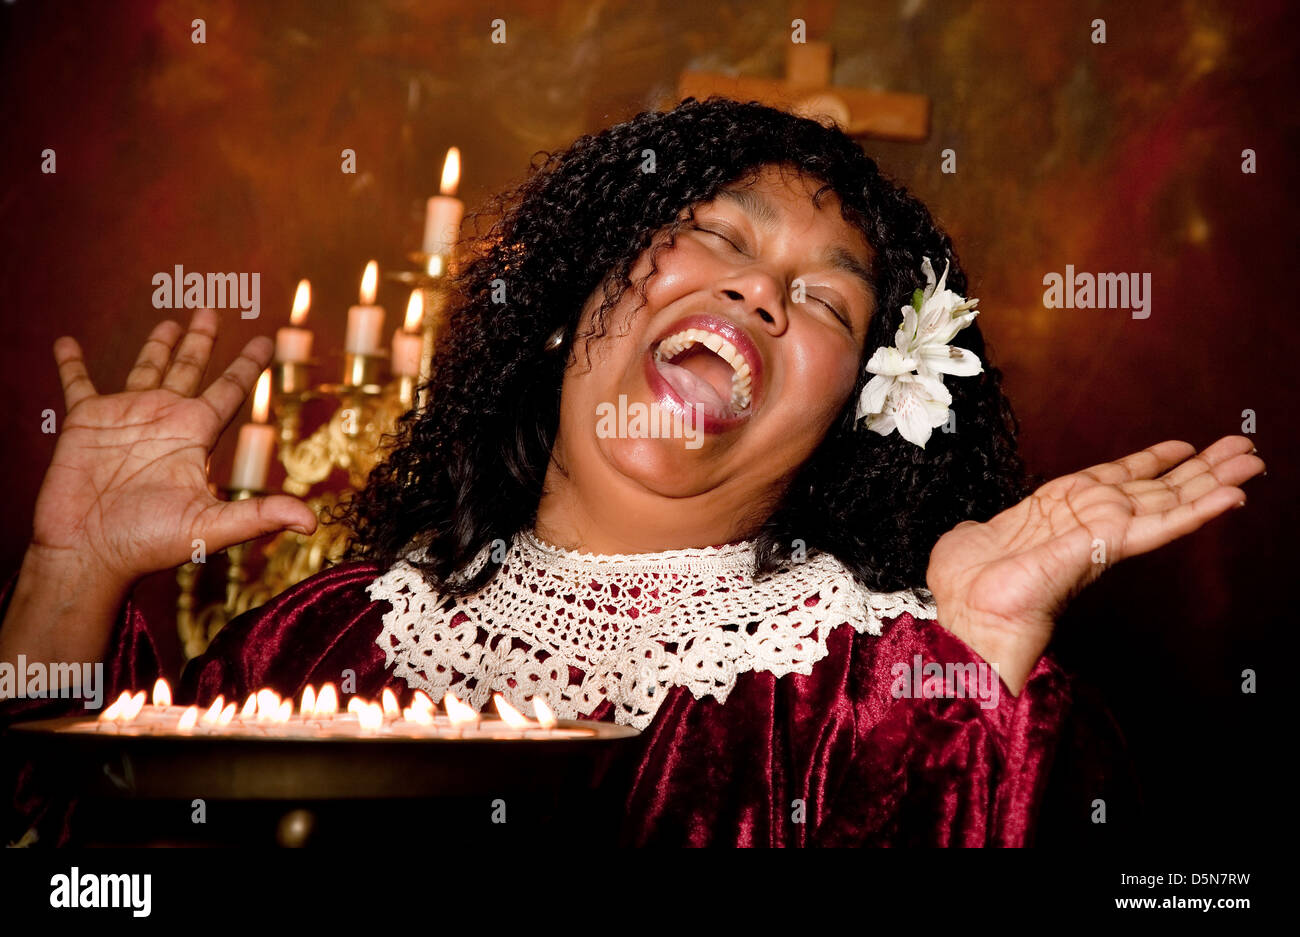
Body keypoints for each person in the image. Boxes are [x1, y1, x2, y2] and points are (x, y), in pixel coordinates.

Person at [0, 98, 1263, 846]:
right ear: (569, 303)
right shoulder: (322, 643)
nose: (759, 289)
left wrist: (977, 667)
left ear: (852, 413)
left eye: (824, 302)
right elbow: (73, 855)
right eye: (714, 234)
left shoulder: (884, 684)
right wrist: (73, 575)